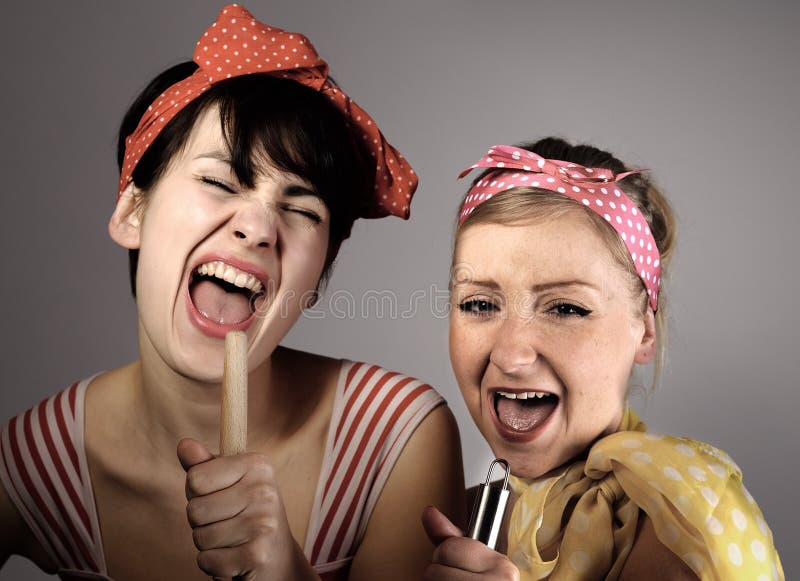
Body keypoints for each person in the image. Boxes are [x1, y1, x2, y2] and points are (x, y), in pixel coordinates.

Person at [0, 5, 464, 580]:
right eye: (219, 182)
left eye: (300, 209)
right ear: (132, 210)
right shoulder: (31, 466)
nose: (259, 228)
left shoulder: (398, 437)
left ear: (317, 279)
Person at [422, 138, 783, 580]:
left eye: (566, 308)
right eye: (479, 304)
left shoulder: (686, 520)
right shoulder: (441, 523)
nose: (512, 355)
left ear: (645, 330)